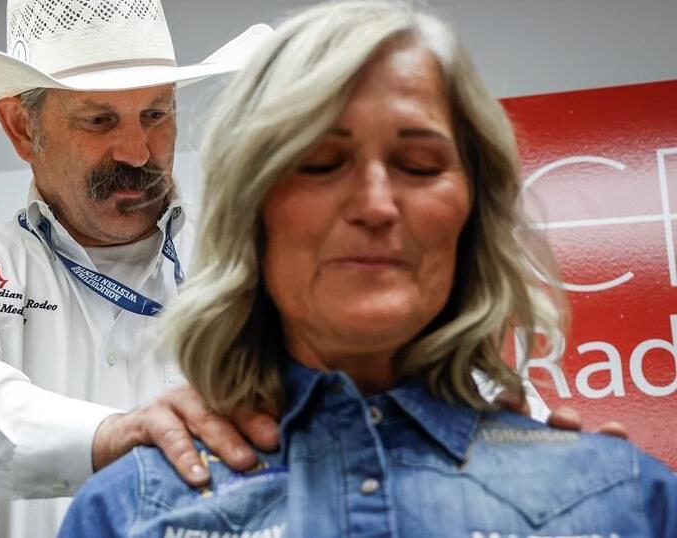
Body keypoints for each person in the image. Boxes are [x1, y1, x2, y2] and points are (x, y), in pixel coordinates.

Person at [59, 2, 677, 537]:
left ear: (471, 213)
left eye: (420, 164)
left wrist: (594, 492)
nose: (377, 205)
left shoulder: (629, 500)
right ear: (253, 214)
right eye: (322, 163)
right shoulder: (126, 515)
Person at [0, 1, 282, 536]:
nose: (138, 151)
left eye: (156, 114)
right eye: (99, 121)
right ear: (22, 128)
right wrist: (106, 438)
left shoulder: (253, 265)